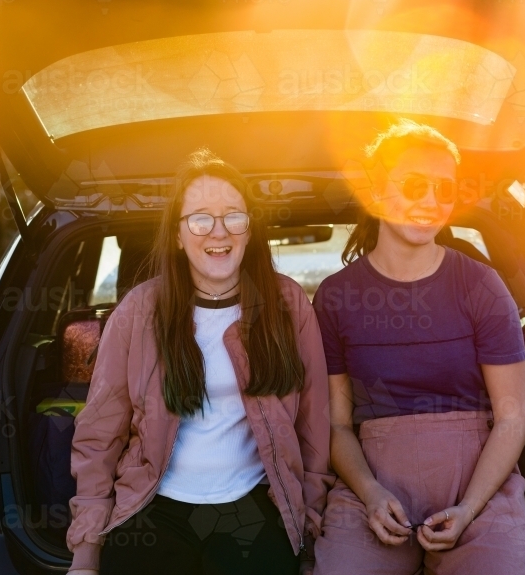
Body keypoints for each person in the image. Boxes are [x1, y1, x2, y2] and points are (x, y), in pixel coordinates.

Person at [65, 148, 331, 575]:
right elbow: (99, 435)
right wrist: (86, 551)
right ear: (177, 233)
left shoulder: (287, 304)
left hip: (254, 507)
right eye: (201, 218)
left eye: (233, 216)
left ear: (249, 228)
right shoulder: (138, 311)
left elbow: (315, 426)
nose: (218, 231)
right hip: (153, 508)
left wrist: (309, 531)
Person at [311, 119, 525, 574]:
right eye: (414, 186)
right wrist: (372, 496)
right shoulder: (336, 297)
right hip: (373, 491)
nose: (431, 203)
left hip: (480, 492)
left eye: (444, 190)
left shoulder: (482, 286)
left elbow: (513, 418)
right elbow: (337, 426)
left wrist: (469, 508)